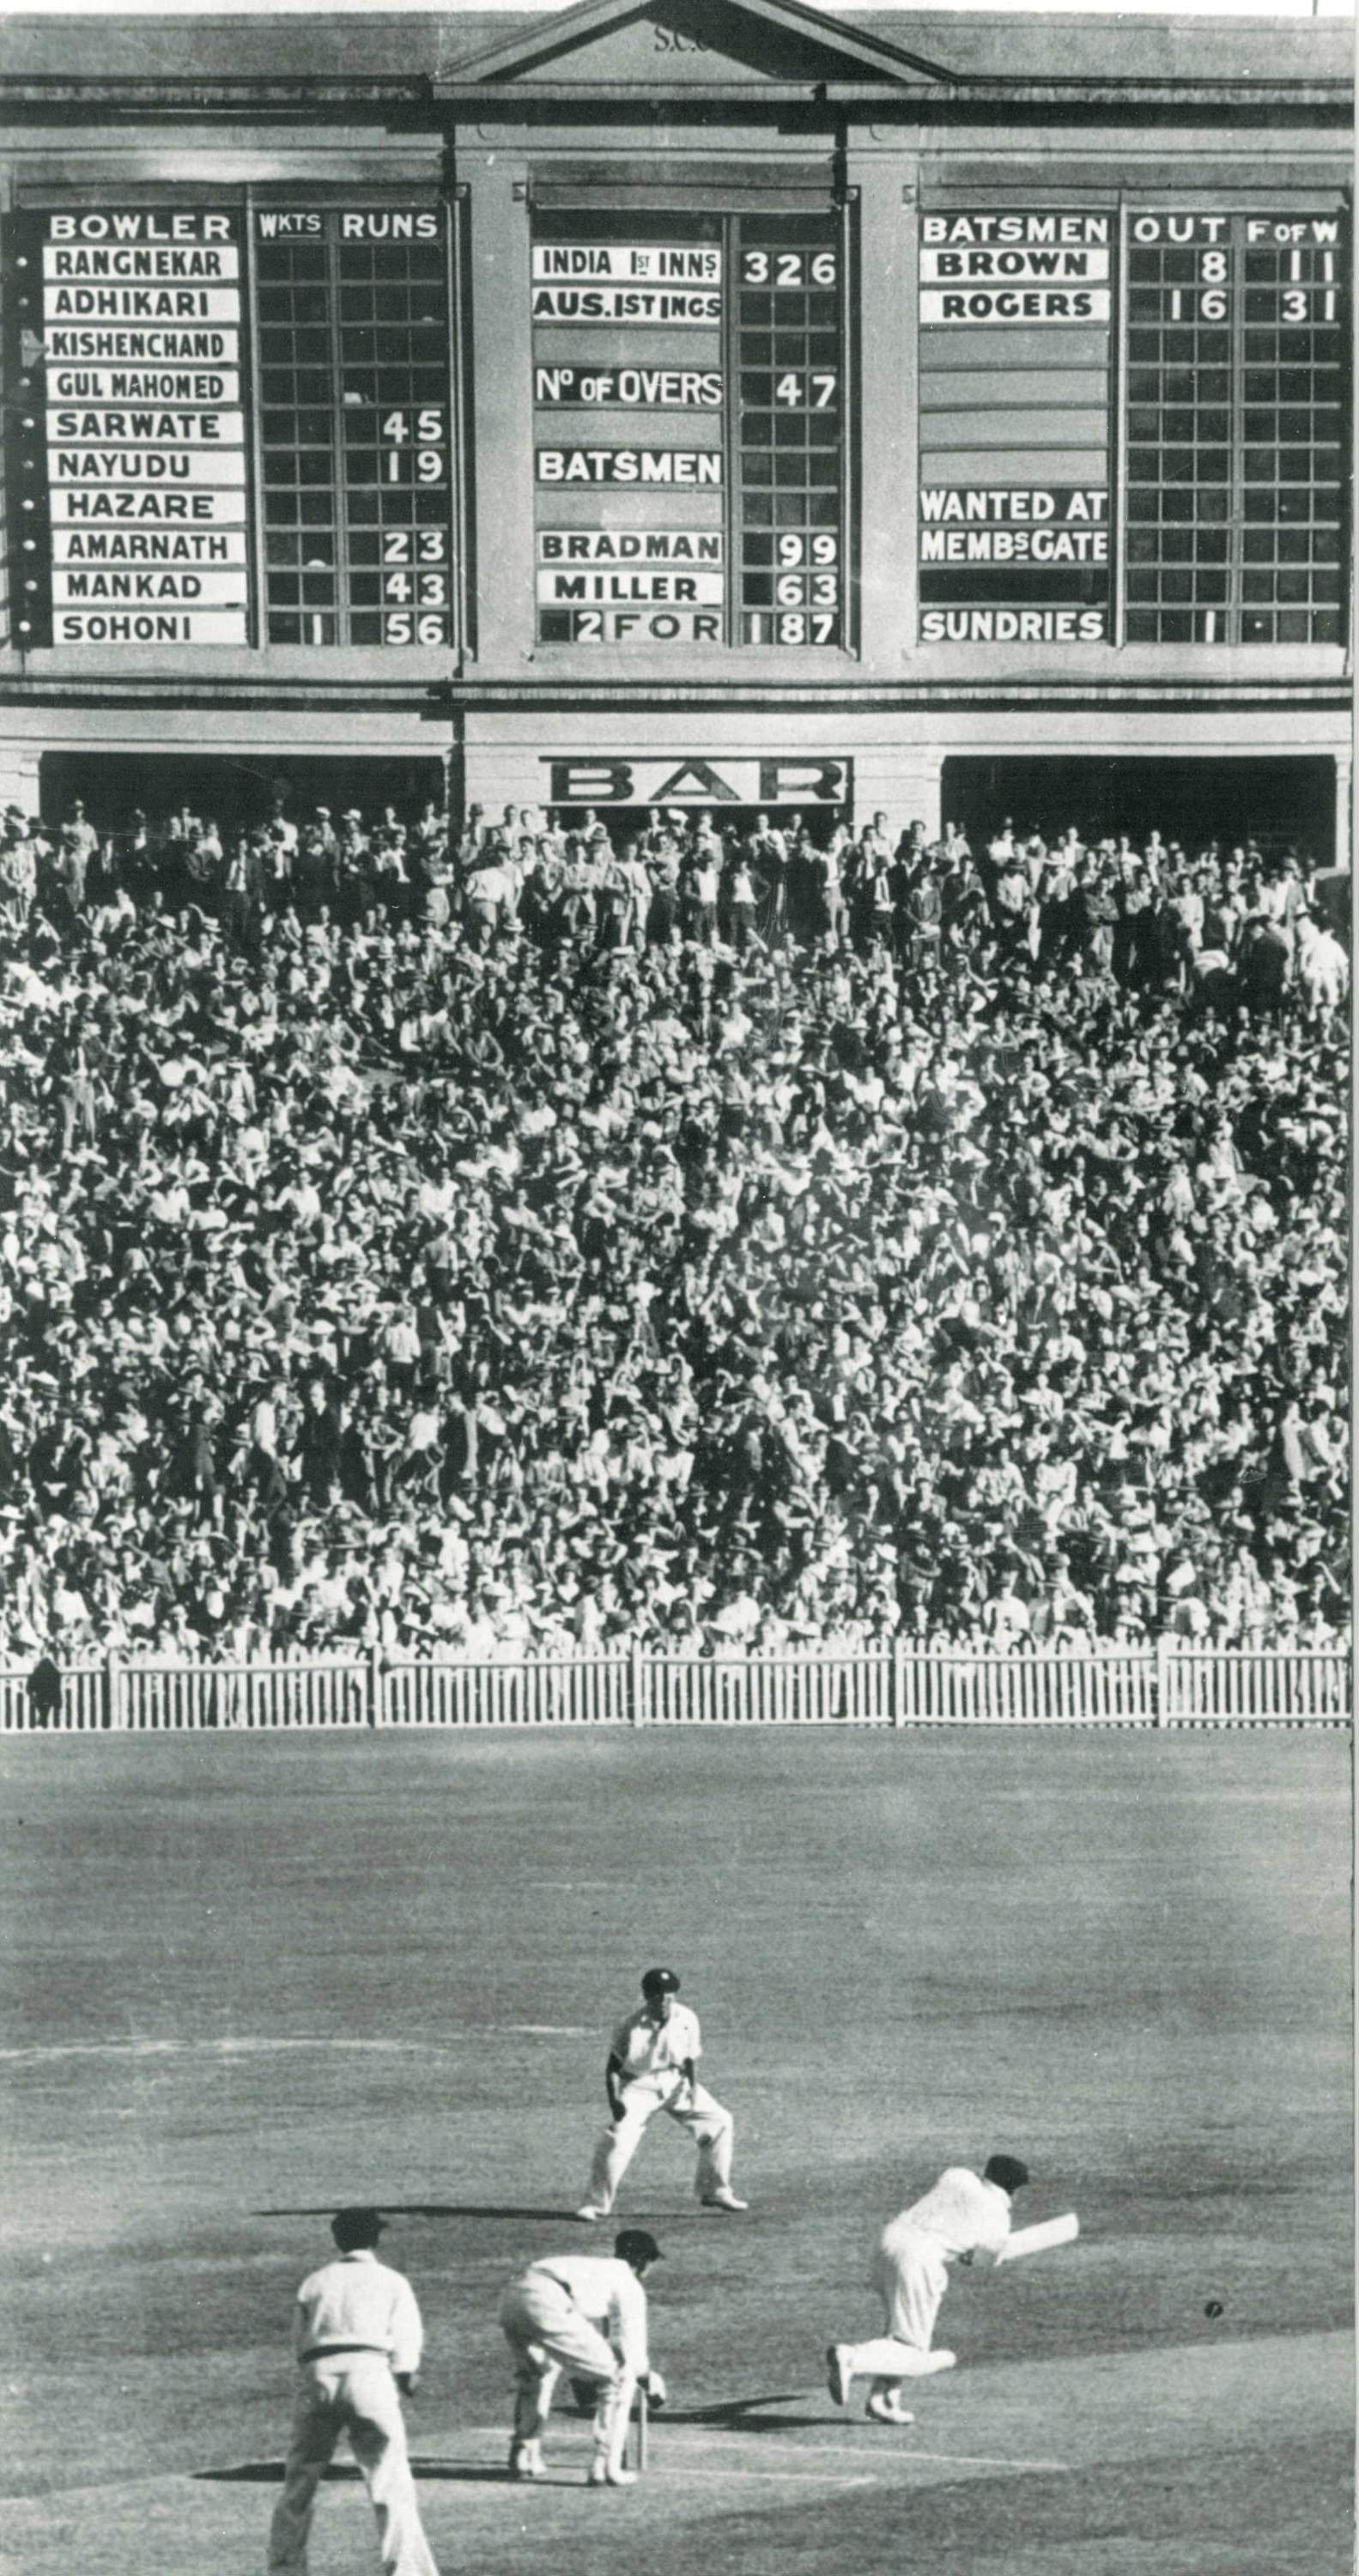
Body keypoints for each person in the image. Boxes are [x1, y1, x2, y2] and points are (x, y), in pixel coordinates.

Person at [267, 2205, 439, 2576]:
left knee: (299, 2479)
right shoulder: (391, 2280)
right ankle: (407, 2571)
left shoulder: (314, 2281)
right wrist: (406, 2371)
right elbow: (407, 2333)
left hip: (318, 2376)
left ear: (337, 2239)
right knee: (388, 2478)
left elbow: (299, 2338)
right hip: (369, 2374)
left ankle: (284, 2569)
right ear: (375, 2238)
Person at [825, 2154, 1029, 2423]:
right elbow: (980, 2261)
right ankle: (852, 2358)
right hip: (919, 2259)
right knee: (913, 2350)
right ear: (1013, 2189)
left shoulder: (957, 2175)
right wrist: (975, 2254)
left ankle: (883, 2399)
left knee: (899, 2334)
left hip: (886, 2245)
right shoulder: (999, 2218)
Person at [576, 1965, 747, 2221]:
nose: (666, 2001)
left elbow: (690, 2060)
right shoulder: (630, 2026)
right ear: (648, 1997)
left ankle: (715, 2190)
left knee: (720, 2121)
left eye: (670, 1995)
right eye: (659, 1996)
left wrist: (691, 2086)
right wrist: (615, 2102)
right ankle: (595, 2204)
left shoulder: (687, 2018)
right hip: (639, 2086)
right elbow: (612, 2067)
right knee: (618, 2138)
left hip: (676, 2081)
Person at [499, 2227, 666, 2485]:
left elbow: (610, 2342)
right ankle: (606, 2467)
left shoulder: (595, 2268)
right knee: (619, 2379)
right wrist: (650, 2382)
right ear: (644, 2262)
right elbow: (632, 2353)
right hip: (549, 2300)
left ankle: (524, 2453)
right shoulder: (629, 2285)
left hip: (513, 2295)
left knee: (539, 2372)